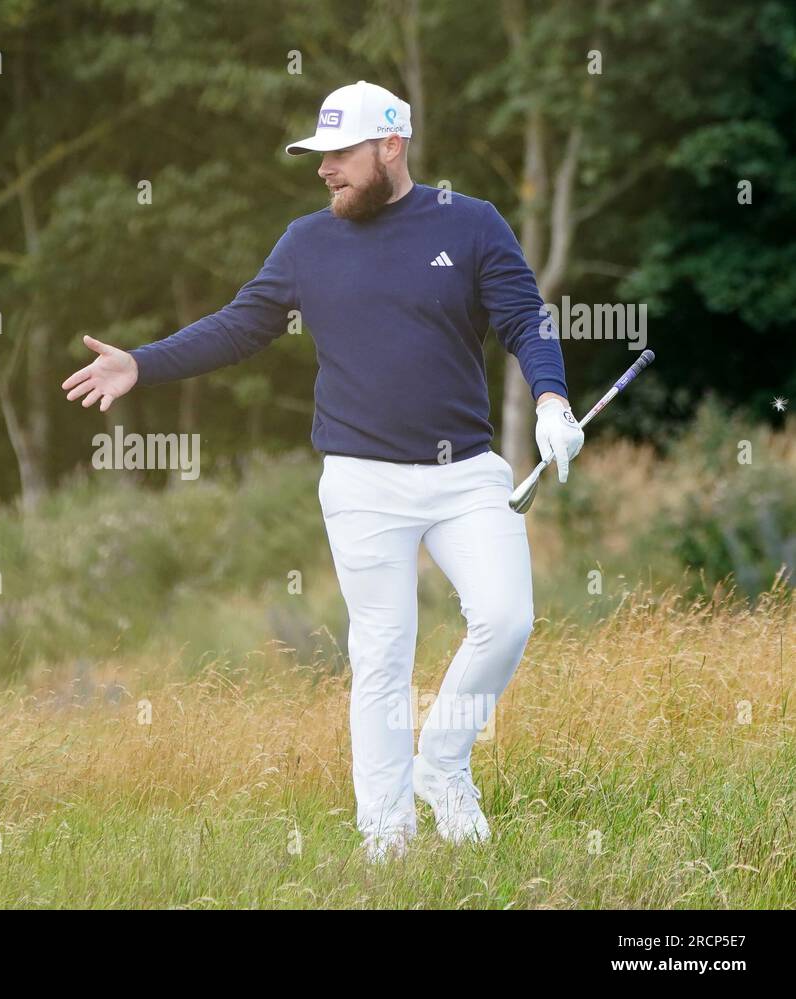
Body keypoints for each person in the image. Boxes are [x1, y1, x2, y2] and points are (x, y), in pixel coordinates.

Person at [60, 82, 584, 862]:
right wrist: (144, 361)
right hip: (362, 480)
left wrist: (551, 401)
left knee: (506, 618)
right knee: (381, 651)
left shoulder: (470, 223)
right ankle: (387, 837)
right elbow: (241, 326)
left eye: (340, 154)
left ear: (392, 147)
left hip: (465, 470)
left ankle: (441, 762)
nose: (324, 169)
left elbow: (525, 319)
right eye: (319, 155)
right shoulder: (306, 242)